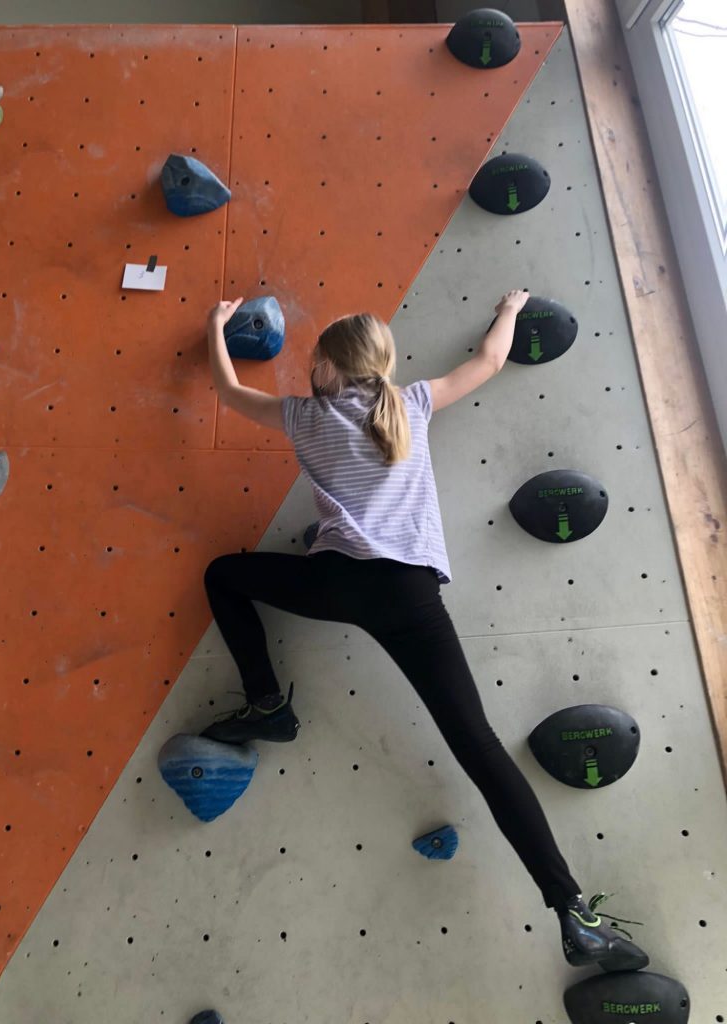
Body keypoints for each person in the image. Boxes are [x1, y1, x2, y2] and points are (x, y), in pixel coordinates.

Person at [200, 291, 649, 973]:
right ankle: (571, 912)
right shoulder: (410, 404)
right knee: (480, 748)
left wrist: (214, 327)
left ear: (323, 366)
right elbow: (491, 360)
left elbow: (227, 391)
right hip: (411, 597)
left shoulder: (303, 415)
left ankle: (268, 704)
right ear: (384, 364)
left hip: (338, 583)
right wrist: (512, 306)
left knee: (221, 576)